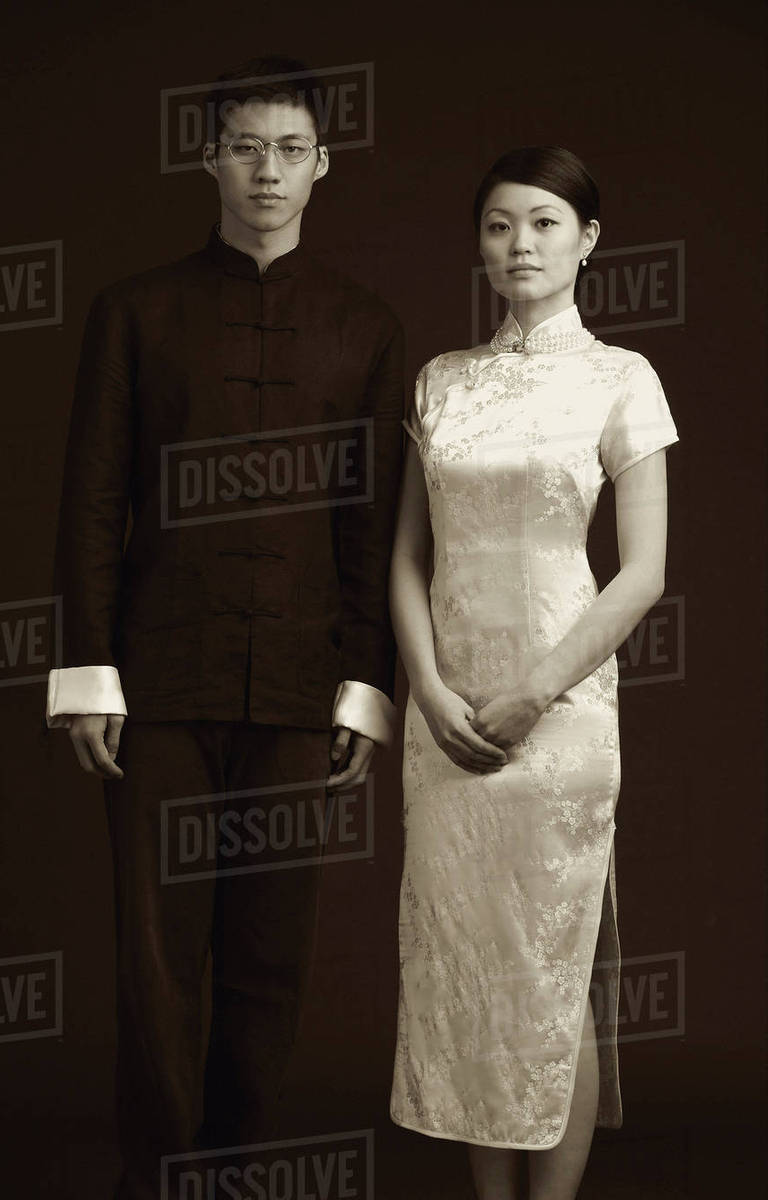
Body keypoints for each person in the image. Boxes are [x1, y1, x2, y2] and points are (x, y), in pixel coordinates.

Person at [45, 56, 404, 1199]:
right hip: (157, 679)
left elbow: (373, 520)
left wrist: (363, 685)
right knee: (156, 966)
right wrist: (88, 669)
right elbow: (94, 498)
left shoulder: (364, 324)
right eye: (245, 147)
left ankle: (238, 1176)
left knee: (267, 960)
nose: (266, 170)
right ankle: (159, 1178)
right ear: (209, 158)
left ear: (320, 164)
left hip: (300, 689)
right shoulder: (134, 311)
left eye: (288, 149)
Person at [388, 145, 679, 1200]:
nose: (521, 244)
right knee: (470, 974)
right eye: (502, 224)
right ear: (479, 241)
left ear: (588, 240)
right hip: (447, 709)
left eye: (546, 223)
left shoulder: (619, 379)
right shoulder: (441, 381)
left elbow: (640, 573)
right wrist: (425, 687)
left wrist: (532, 692)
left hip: (555, 713)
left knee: (547, 976)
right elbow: (409, 557)